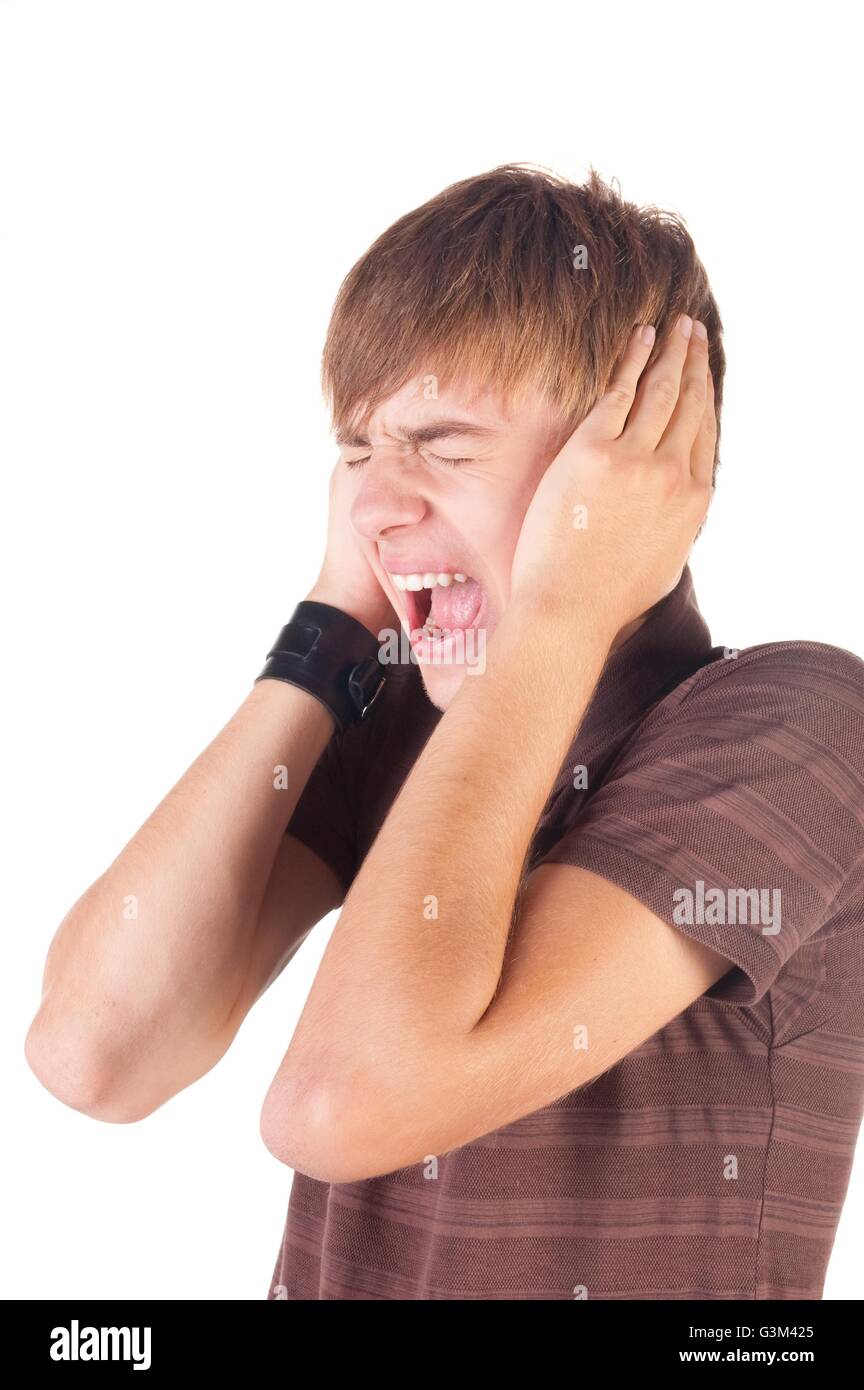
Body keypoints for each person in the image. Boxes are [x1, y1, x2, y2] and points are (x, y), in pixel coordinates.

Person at [26, 165, 864, 1301]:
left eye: (445, 445)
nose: (375, 504)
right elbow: (95, 1050)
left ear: (634, 462)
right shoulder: (407, 721)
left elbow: (339, 1101)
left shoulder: (796, 719)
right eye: (359, 451)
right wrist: (330, 628)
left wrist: (566, 605)